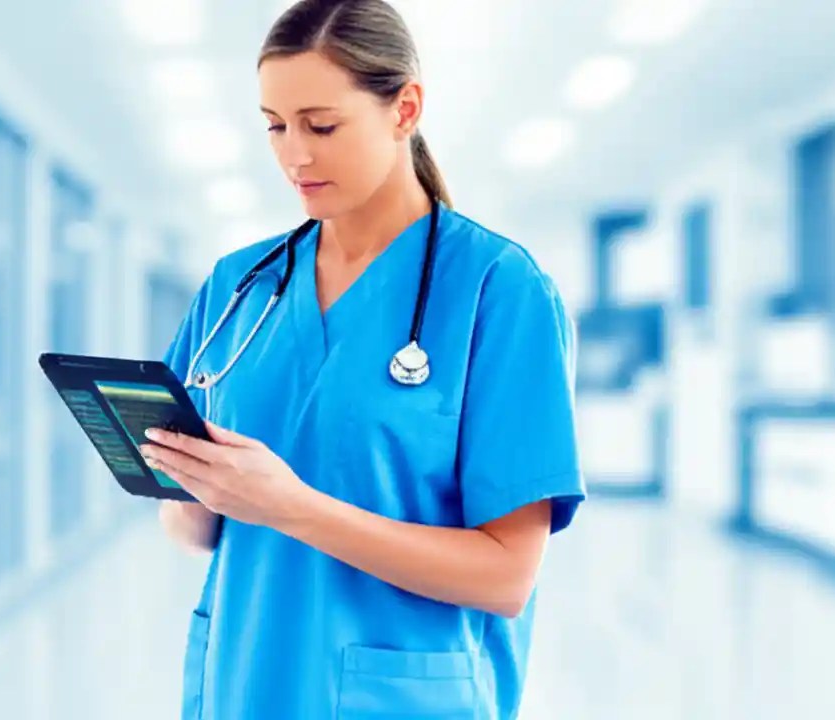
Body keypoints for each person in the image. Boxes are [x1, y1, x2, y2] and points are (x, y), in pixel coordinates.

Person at [141, 1, 585, 717]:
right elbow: (192, 528)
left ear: (404, 108)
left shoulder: (497, 290)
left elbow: (506, 575)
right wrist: (192, 487)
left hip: (399, 697)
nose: (294, 155)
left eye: (322, 126)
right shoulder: (239, 286)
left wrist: (291, 507)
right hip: (243, 684)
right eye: (275, 126)